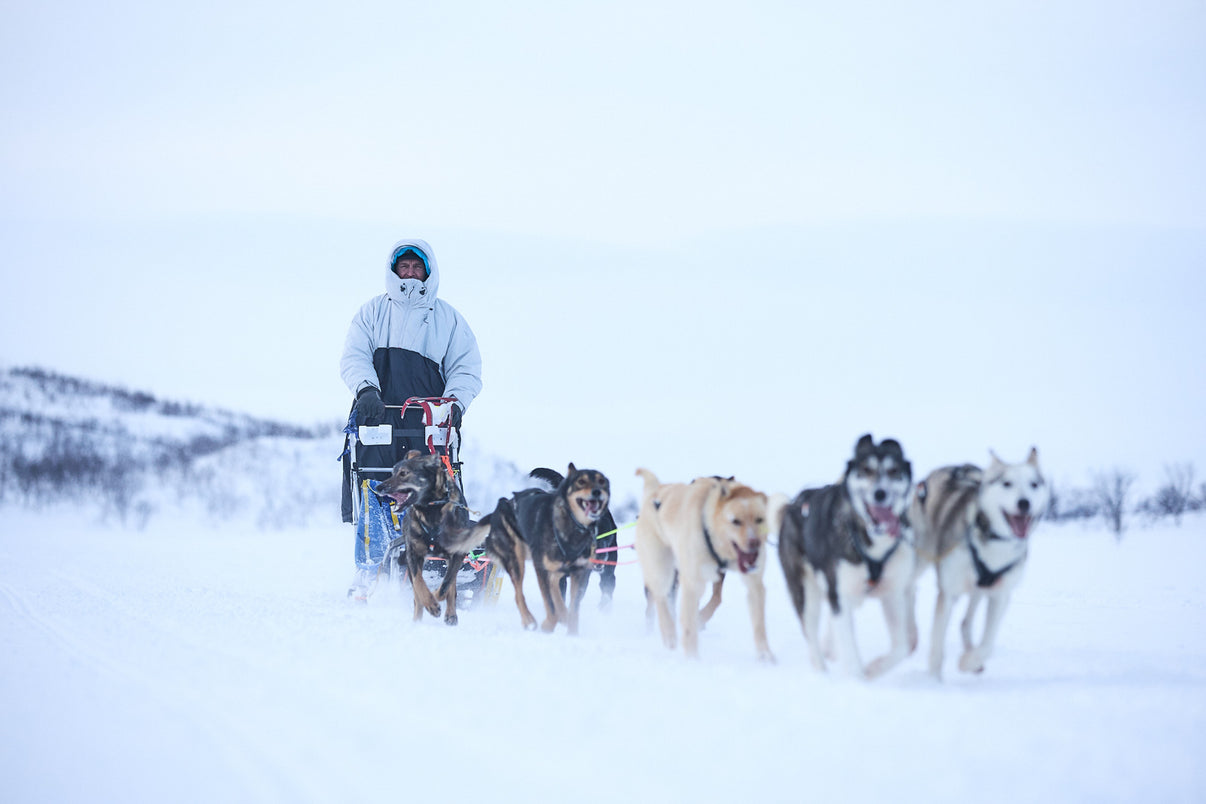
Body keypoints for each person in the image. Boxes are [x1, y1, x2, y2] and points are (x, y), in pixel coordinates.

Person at [340, 239, 482, 589]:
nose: (410, 272)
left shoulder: (448, 319)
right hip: (379, 419)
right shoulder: (372, 313)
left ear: (428, 271)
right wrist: (366, 389)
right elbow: (354, 355)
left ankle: (441, 555)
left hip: (428, 424)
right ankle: (373, 567)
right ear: (394, 270)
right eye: (404, 266)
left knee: (434, 488)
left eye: (417, 267)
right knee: (376, 484)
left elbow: (466, 368)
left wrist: (455, 404)